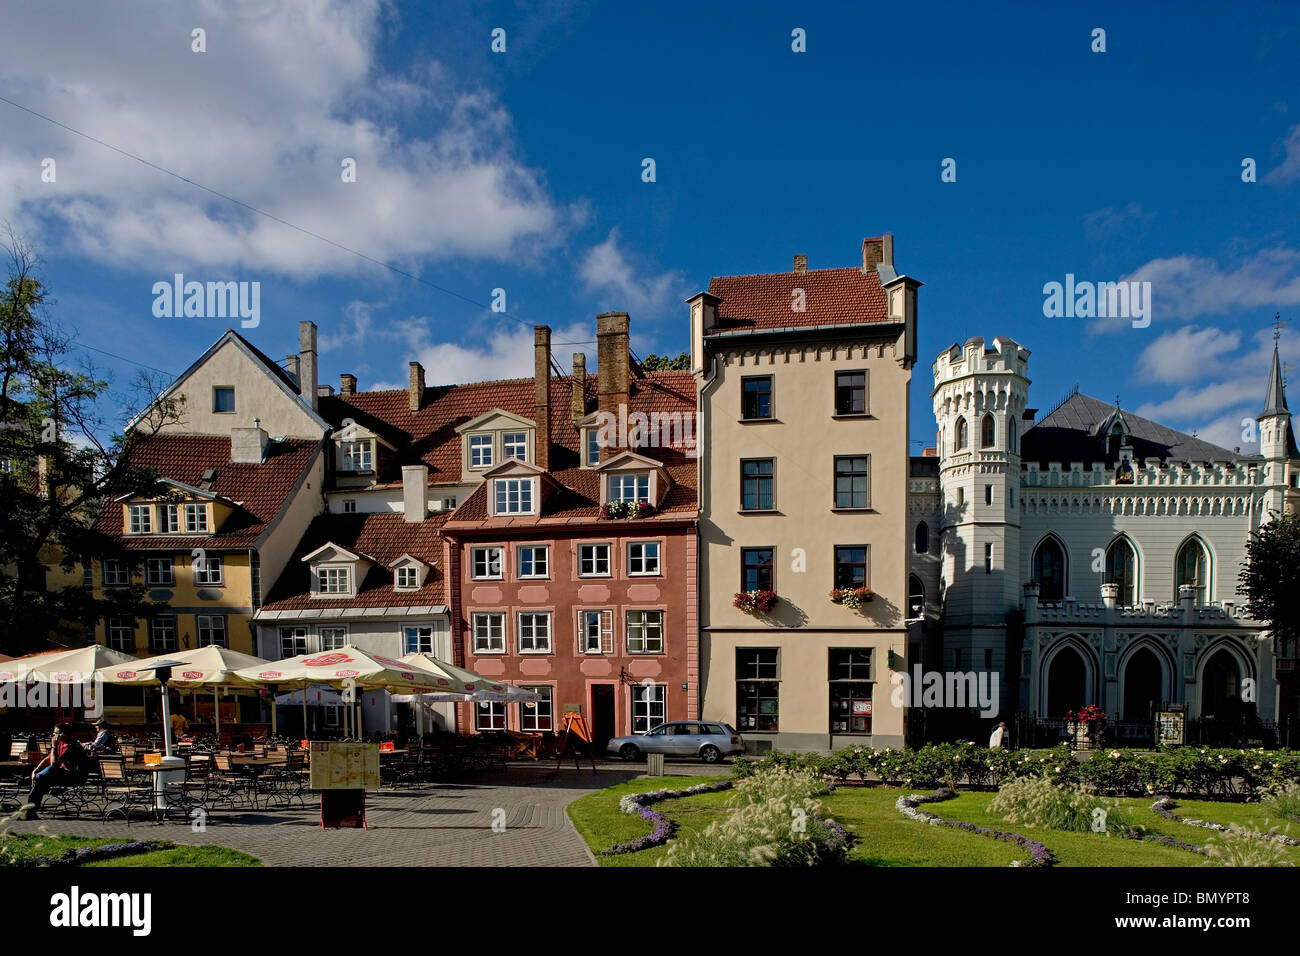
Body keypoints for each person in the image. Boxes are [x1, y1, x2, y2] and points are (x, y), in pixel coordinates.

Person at [21, 724, 92, 820]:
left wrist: (54, 746)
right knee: (40, 781)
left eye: (55, 733)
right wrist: (35, 771)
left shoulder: (71, 746)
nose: (53, 735)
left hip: (74, 777)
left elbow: (54, 764)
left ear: (62, 734)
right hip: (63, 774)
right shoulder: (60, 743)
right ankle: (30, 812)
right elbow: (48, 759)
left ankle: (30, 810)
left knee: (49, 771)